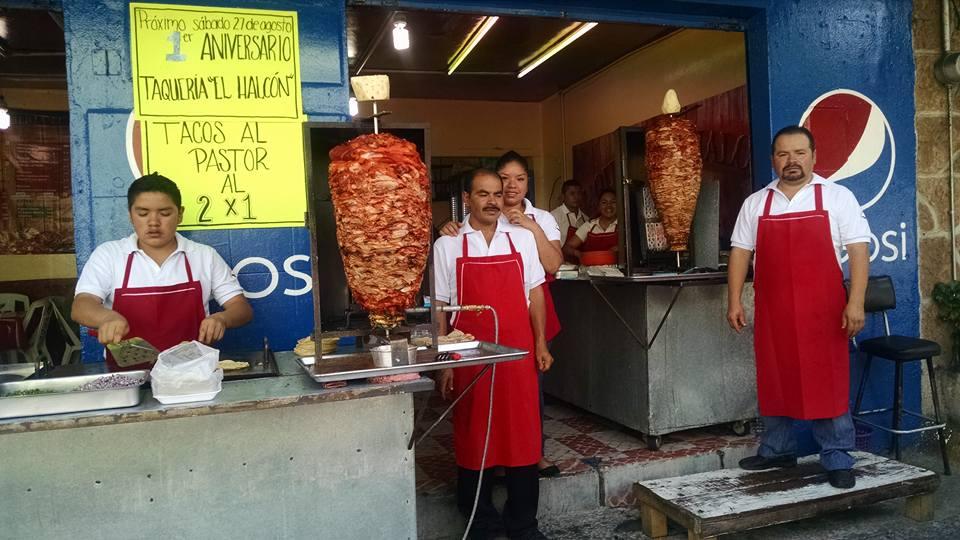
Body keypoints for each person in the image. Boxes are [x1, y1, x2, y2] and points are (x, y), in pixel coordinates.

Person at [726, 126, 870, 489]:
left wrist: (855, 303)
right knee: (775, 376)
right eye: (783, 154)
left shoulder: (837, 197)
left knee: (827, 379)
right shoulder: (756, 203)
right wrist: (734, 300)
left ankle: (837, 456)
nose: (792, 161)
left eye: (799, 153)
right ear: (773, 159)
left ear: (814, 156)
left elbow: (858, 251)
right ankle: (777, 449)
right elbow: (740, 252)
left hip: (825, 313)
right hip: (774, 312)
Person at [434, 168, 552, 540]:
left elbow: (535, 293)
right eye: (483, 194)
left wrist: (541, 342)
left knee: (522, 435)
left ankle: (523, 524)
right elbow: (439, 306)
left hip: (518, 352)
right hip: (468, 355)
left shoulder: (521, 238)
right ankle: (480, 523)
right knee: (473, 435)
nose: (492, 201)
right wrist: (443, 361)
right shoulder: (448, 244)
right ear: (467, 199)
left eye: (497, 194)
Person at [441, 151, 563, 478]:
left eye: (518, 179)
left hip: (524, 321)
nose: (510, 187)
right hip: (473, 337)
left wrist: (530, 227)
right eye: (503, 180)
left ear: (527, 183)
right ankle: (489, 465)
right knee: (478, 407)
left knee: (525, 400)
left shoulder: (535, 222)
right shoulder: (458, 236)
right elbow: (441, 298)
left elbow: (550, 269)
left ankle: (530, 458)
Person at [73, 173, 253, 371]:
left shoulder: (204, 256)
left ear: (180, 214)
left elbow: (241, 308)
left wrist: (222, 319)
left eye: (165, 213)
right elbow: (82, 305)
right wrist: (106, 318)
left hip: (193, 371)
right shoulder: (110, 254)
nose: (153, 222)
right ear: (130, 215)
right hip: (128, 373)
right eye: (143, 214)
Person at [562, 189, 618, 264]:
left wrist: (620, 249)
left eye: (613, 202)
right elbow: (567, 247)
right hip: (591, 269)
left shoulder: (623, 226)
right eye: (604, 202)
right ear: (598, 206)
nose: (609, 206)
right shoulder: (589, 225)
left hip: (616, 269)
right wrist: (578, 254)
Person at [550, 180, 587, 259]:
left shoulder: (586, 219)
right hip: (561, 262)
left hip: (581, 261)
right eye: (572, 193)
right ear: (563, 196)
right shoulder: (553, 217)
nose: (576, 197)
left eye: (579, 193)